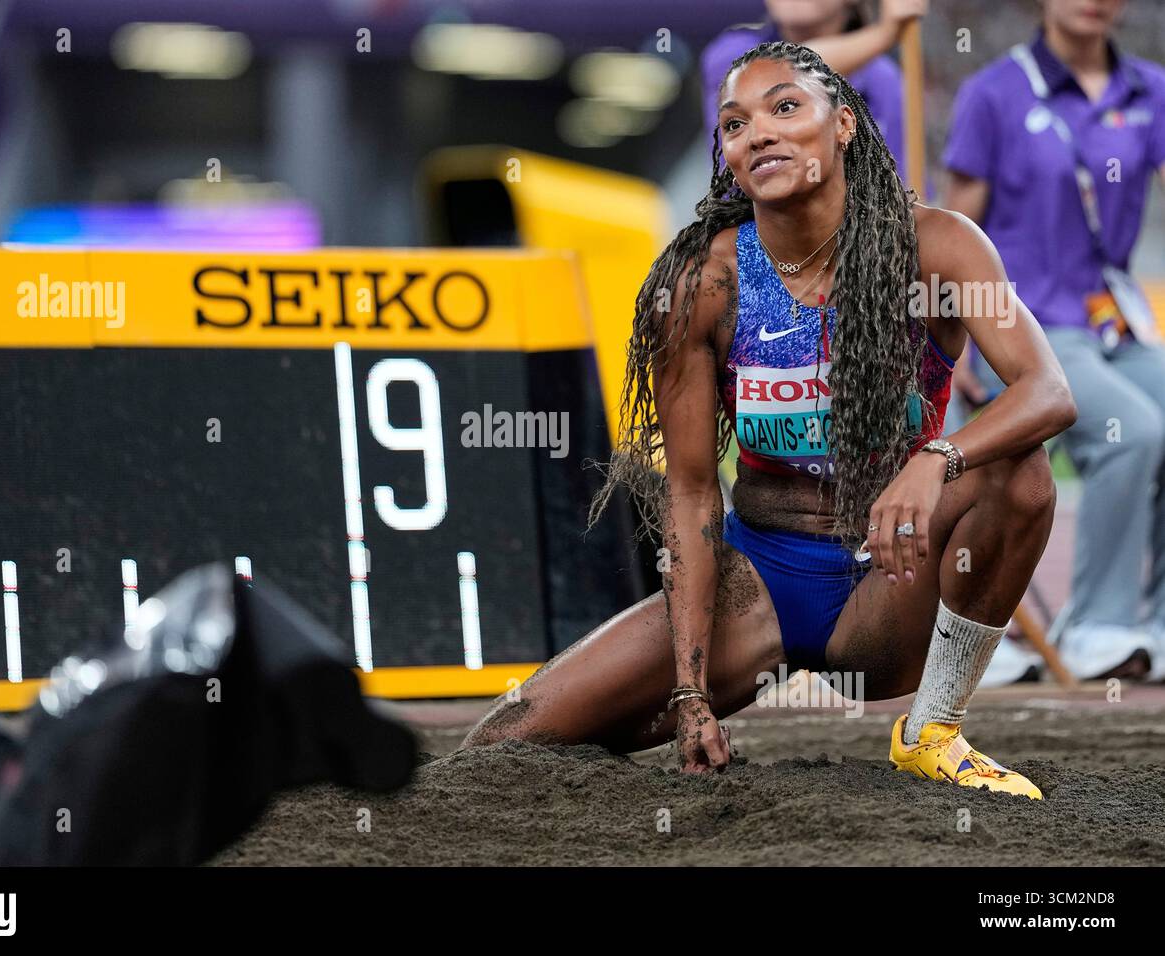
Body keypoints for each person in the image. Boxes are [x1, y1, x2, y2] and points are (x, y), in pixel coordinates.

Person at [461, 41, 1077, 799]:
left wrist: (935, 458)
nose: (758, 132)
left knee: (1019, 466)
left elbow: (1048, 391)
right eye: (734, 124)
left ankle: (933, 731)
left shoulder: (936, 248)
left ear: (843, 125)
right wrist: (689, 694)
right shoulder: (704, 282)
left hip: (891, 585)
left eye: (785, 107)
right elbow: (690, 494)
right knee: (506, 742)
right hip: (758, 590)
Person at [943, 0, 1165, 682]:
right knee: (1134, 434)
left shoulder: (1150, 90)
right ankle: (1095, 625)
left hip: (1116, 318)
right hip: (1025, 327)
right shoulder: (994, 94)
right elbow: (953, 234)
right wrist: (958, 345)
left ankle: (1155, 624)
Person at [701, 0, 927, 183]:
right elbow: (781, 70)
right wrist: (883, 34)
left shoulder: (884, 79)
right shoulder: (731, 52)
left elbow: (903, 192)